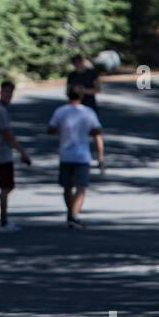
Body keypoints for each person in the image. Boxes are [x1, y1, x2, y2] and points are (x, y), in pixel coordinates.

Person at [48, 84, 104, 228]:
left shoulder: (60, 112)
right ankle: (74, 215)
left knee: (67, 187)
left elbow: (50, 129)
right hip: (82, 155)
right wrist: (100, 157)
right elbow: (97, 132)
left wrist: (61, 130)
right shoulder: (88, 112)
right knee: (81, 187)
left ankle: (70, 213)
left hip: (65, 153)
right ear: (82, 96)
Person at [0, 81, 31, 233]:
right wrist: (22, 152)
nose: (8, 96)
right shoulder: (0, 111)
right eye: (6, 92)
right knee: (6, 187)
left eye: (11, 93)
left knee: (7, 187)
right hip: (2, 154)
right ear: (0, 92)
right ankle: (1, 220)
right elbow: (6, 133)